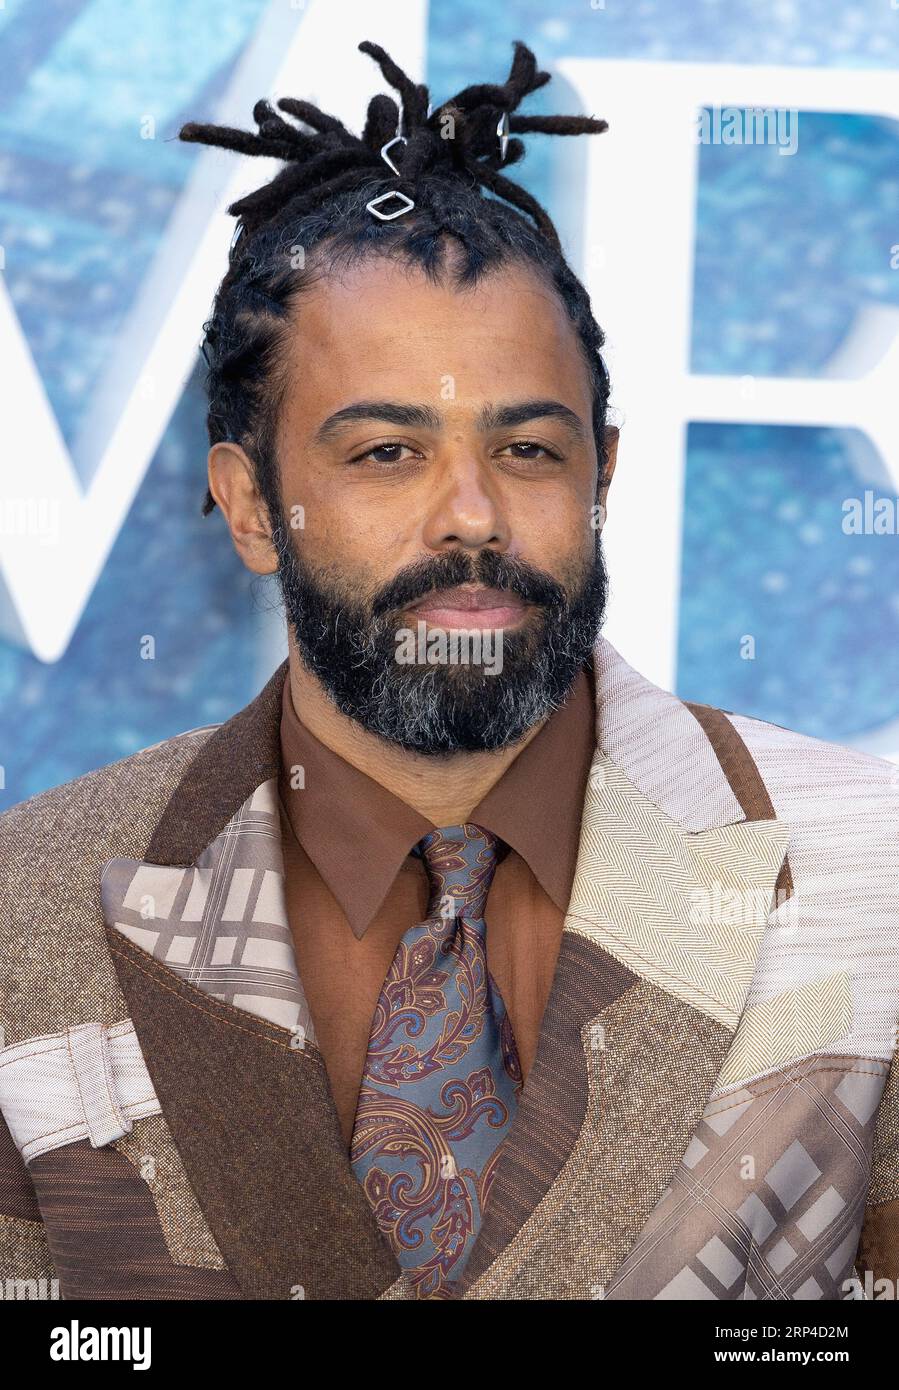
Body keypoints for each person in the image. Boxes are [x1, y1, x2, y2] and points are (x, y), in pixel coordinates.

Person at [1, 40, 897, 1302]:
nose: (469, 517)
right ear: (251, 505)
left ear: (602, 480)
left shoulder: (877, 868)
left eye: (528, 449)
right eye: (384, 455)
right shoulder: (21, 909)